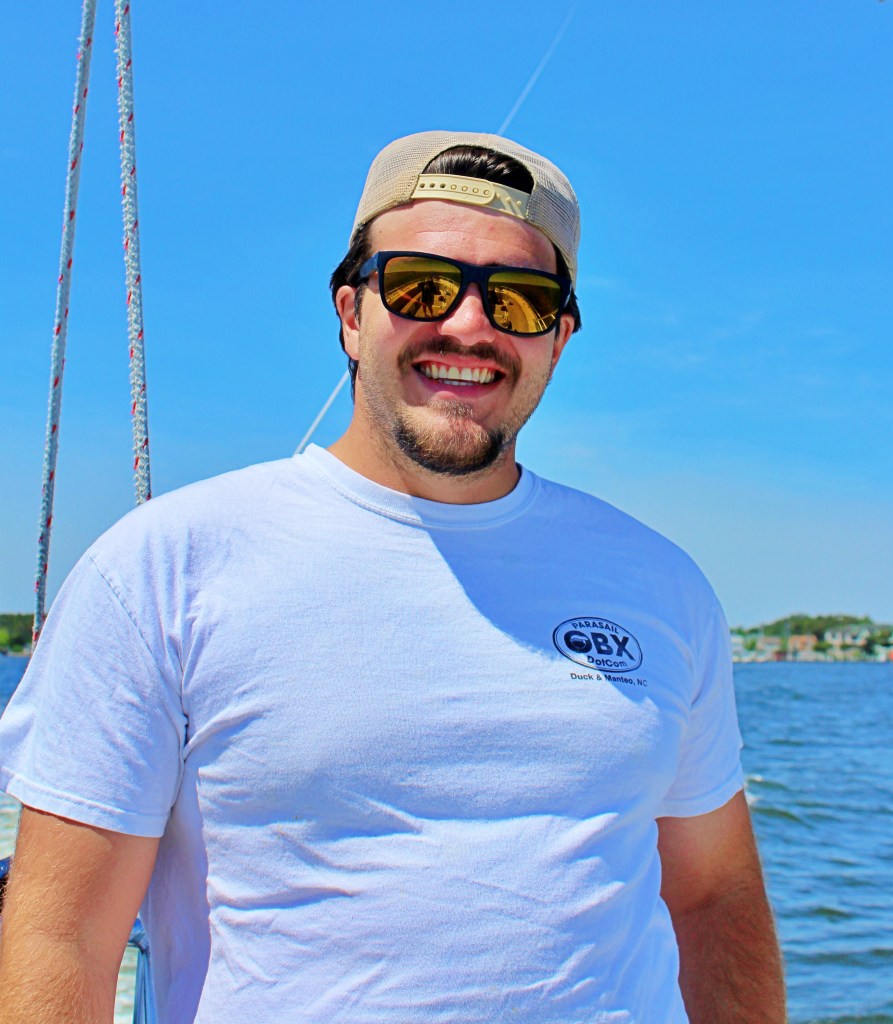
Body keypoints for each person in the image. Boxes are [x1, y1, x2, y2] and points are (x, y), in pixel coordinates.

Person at [0, 131, 785, 1023]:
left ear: (559, 338)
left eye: (521, 300)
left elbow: (712, 895)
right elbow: (61, 939)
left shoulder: (662, 587)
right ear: (350, 311)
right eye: (421, 286)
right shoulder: (160, 569)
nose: (467, 326)